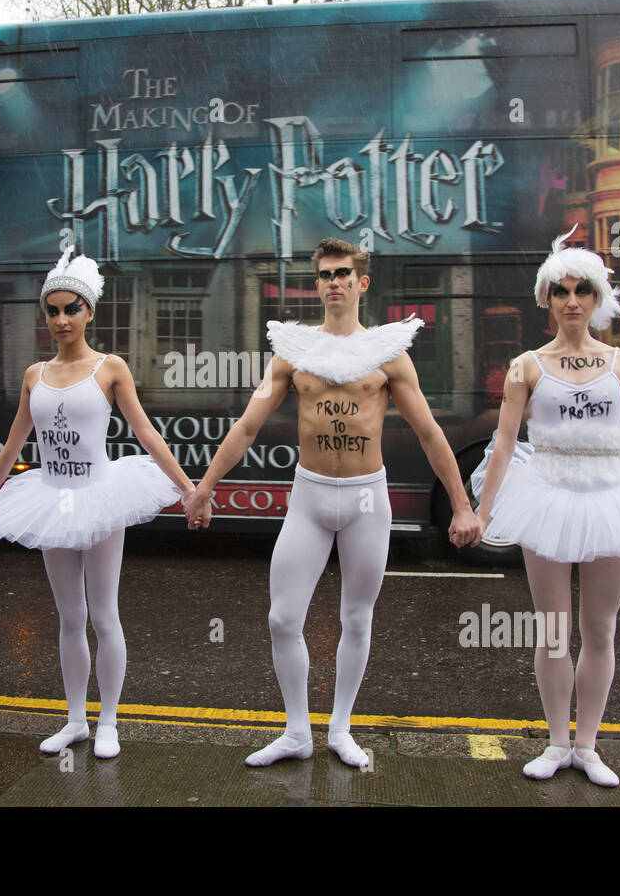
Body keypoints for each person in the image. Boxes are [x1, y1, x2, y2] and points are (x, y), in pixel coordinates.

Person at [185, 237, 482, 767]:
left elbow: (431, 434)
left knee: (358, 618)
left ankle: (341, 728)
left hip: (366, 499)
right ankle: (297, 732)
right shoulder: (295, 353)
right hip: (310, 497)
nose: (334, 282)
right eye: (325, 274)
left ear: (362, 284)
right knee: (282, 618)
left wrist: (462, 505)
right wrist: (204, 486)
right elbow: (248, 425)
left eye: (344, 274)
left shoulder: (388, 354)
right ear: (316, 283)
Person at [471, 227, 620, 787]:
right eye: (560, 291)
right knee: (551, 629)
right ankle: (556, 742)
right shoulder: (527, 367)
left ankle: (588, 746)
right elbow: (503, 444)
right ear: (547, 299)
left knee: (601, 629)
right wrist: (482, 512)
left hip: (612, 497)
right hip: (545, 497)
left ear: (596, 299)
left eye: (581, 291)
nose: (571, 301)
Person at [0, 249, 194, 760]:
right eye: (52, 310)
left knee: (104, 615)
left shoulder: (110, 368)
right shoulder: (35, 375)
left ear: (89, 312)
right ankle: (75, 719)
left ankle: (109, 720)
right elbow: (12, 447)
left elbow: (145, 433)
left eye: (71, 309)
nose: (61, 319)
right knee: (69, 616)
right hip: (51, 497)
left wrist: (187, 487)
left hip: (99, 496)